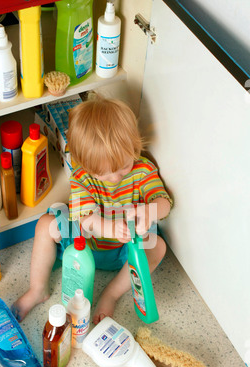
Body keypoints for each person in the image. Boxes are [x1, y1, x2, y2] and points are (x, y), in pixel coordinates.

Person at [12, 95, 172, 324]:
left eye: (123, 167)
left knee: (158, 247)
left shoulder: (143, 170)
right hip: (83, 246)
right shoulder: (82, 177)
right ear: (84, 164)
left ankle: (111, 293)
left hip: (126, 251)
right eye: (103, 173)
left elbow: (164, 201)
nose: (115, 178)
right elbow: (86, 220)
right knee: (45, 225)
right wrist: (110, 227)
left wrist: (150, 212)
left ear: (135, 145)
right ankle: (37, 289)